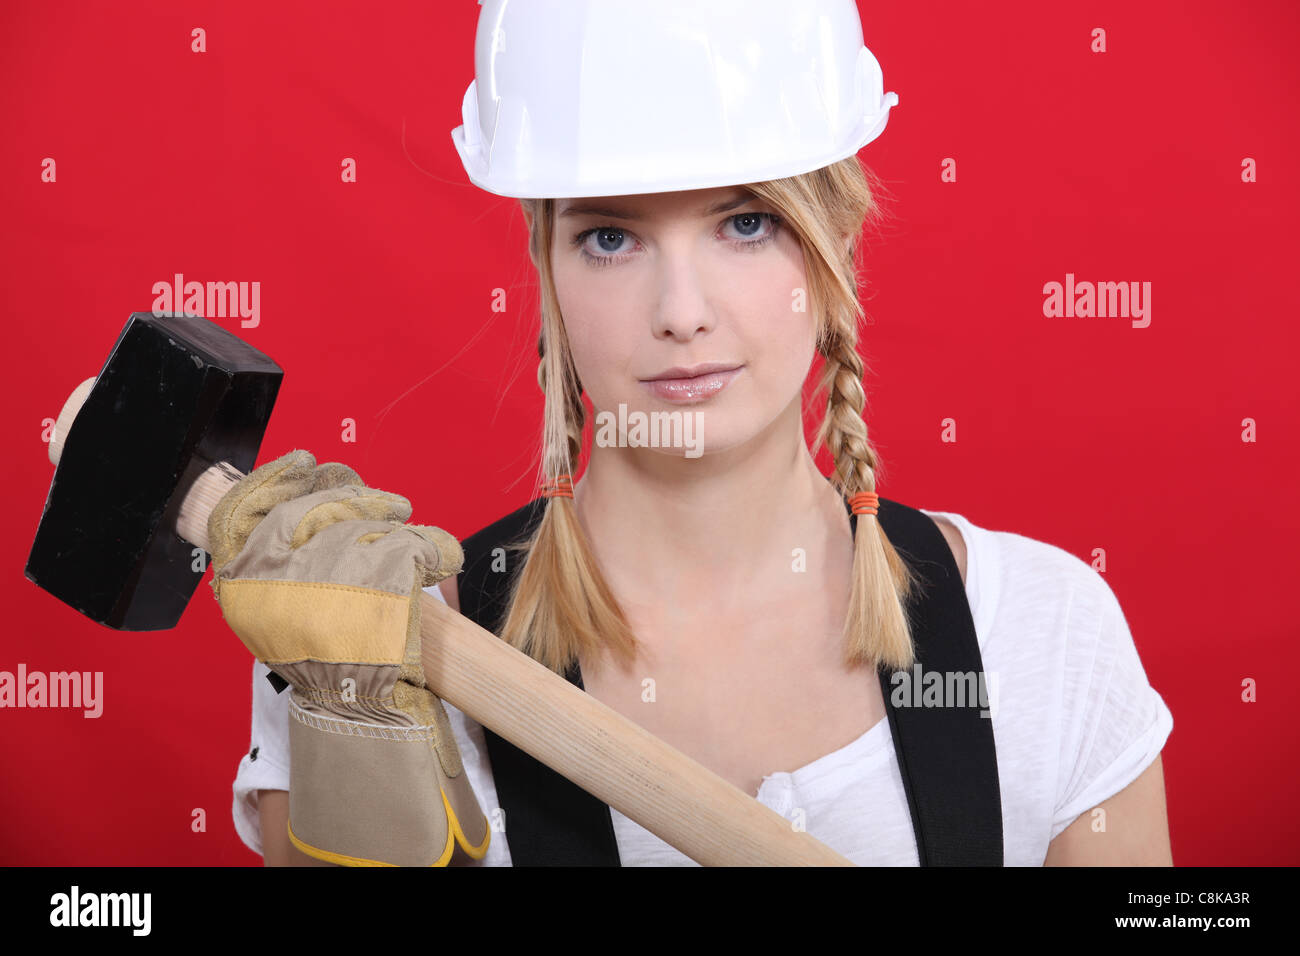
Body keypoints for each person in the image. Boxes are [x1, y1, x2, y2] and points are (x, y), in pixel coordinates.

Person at [231, 0, 1173, 866]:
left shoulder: (1044, 634)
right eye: (611, 237)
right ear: (546, 263)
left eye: (747, 222)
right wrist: (339, 742)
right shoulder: (378, 656)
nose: (681, 313)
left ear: (835, 238)